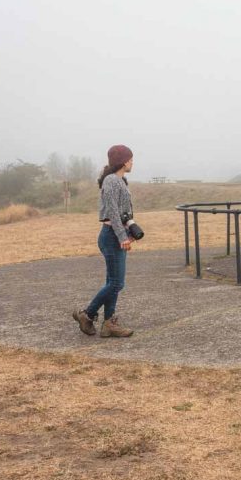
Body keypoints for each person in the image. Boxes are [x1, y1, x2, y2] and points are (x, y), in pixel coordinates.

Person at [73, 144, 136, 338]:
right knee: (117, 283)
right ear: (124, 161)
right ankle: (88, 314)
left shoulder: (120, 180)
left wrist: (131, 227)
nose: (133, 162)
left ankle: (109, 323)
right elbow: (112, 211)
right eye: (131, 159)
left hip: (116, 233)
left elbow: (123, 211)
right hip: (111, 236)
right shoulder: (111, 180)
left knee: (113, 281)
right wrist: (121, 235)